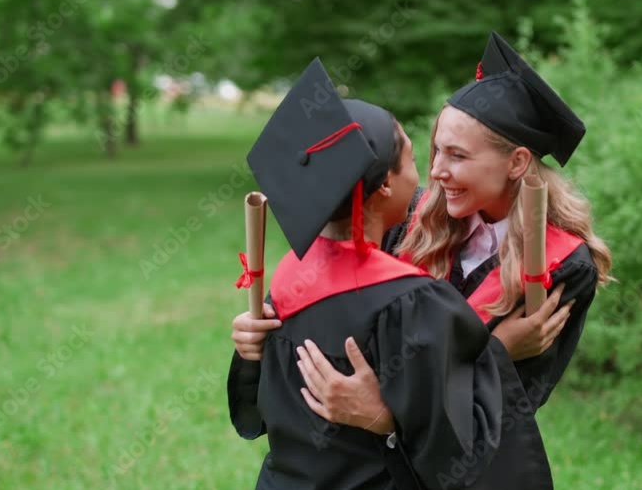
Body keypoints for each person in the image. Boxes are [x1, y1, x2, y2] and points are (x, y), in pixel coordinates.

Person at [227, 58, 554, 489]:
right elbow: (458, 451)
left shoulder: (288, 282)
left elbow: (257, 414)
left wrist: (250, 356)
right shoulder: (412, 303)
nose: (432, 175)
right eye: (416, 158)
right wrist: (497, 350)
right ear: (384, 186)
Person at [289, 32, 613, 435]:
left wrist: (386, 416)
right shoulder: (412, 217)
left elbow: (512, 402)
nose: (438, 171)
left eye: (457, 156)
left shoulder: (559, 265)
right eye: (437, 150)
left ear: (516, 162)